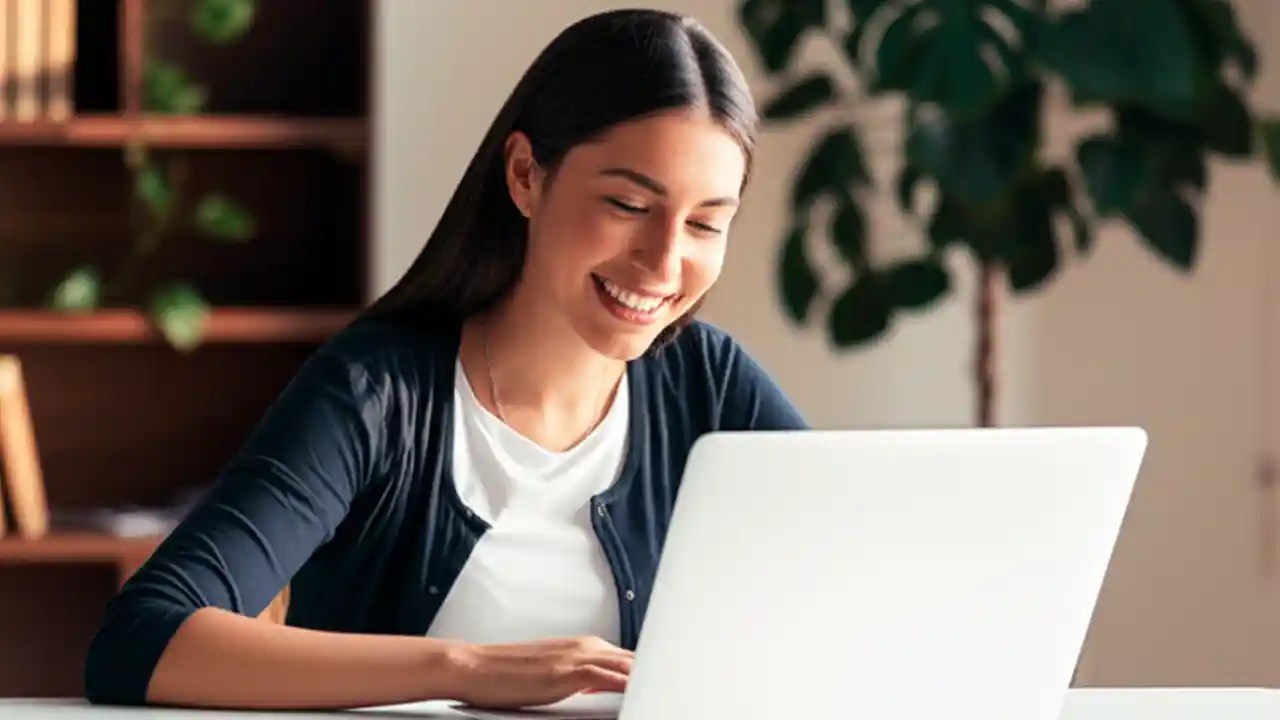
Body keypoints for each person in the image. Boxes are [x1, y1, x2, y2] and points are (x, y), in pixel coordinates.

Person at [83, 8, 806, 711]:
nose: (665, 262)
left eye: (706, 223)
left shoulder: (711, 386)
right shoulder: (377, 392)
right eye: (628, 205)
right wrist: (465, 670)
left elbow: (856, 586)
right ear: (525, 175)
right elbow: (142, 638)